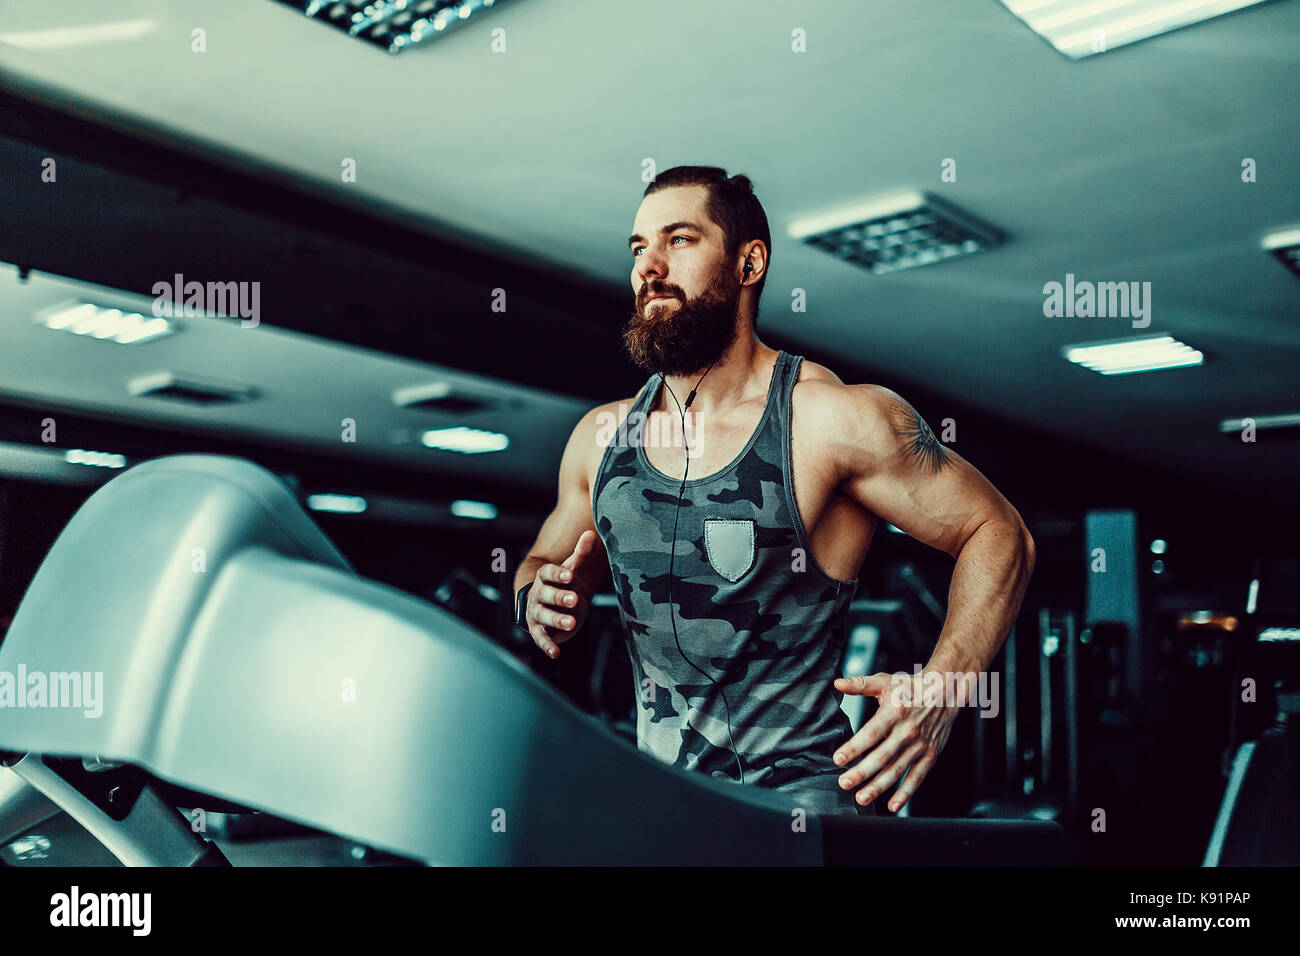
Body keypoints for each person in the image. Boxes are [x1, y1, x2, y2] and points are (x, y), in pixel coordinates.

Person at [513, 166, 1034, 816]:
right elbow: (536, 565)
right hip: (661, 806)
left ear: (749, 262)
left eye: (679, 240)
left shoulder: (831, 420)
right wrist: (538, 598)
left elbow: (999, 532)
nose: (649, 266)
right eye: (639, 248)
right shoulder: (599, 438)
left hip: (798, 813)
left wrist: (943, 690)